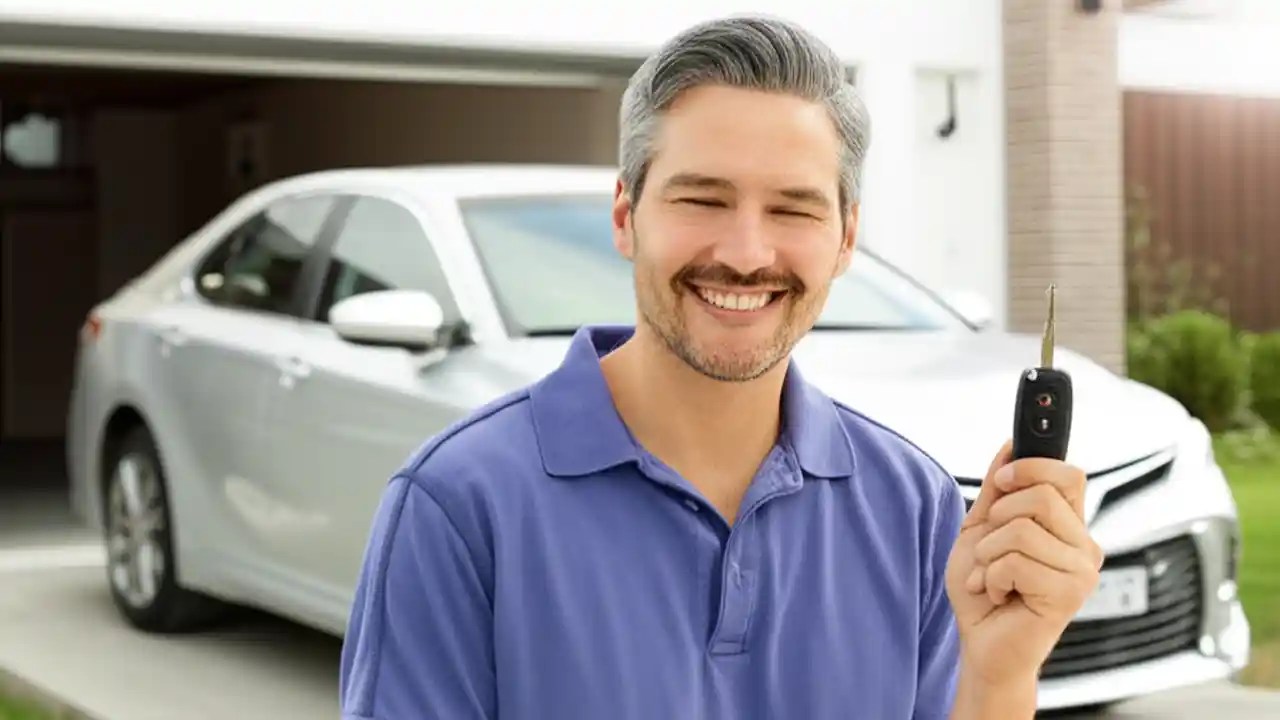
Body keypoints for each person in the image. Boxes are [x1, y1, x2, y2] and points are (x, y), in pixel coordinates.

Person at [338, 14, 1103, 720]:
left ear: (845, 239)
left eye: (794, 209)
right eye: (702, 199)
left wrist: (1000, 677)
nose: (744, 253)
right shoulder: (458, 504)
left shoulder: (916, 509)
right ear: (624, 217)